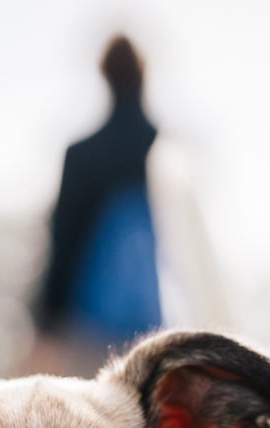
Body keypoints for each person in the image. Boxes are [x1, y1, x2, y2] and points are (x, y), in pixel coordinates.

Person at [25, 37, 174, 376]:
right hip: (156, 327)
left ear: (103, 76)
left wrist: (44, 325)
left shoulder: (83, 153)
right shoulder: (166, 150)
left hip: (89, 328)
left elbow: (63, 241)